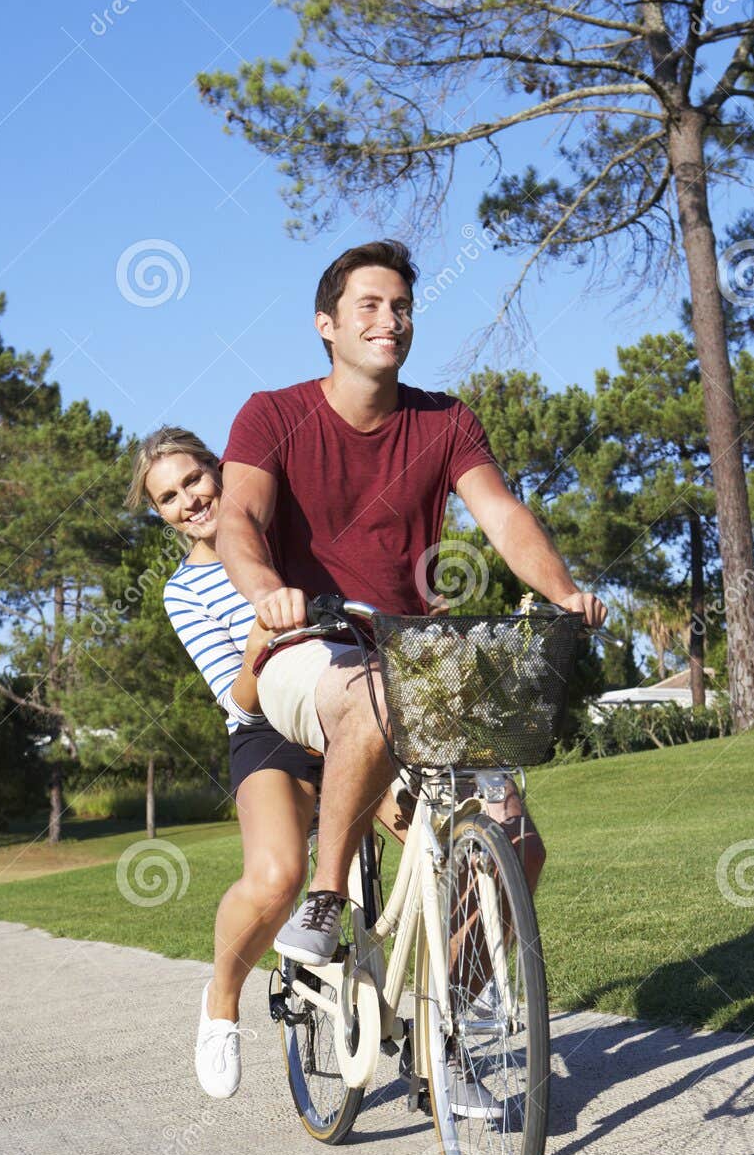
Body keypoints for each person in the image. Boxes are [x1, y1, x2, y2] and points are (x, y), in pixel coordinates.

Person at [215, 239, 607, 973]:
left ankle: (455, 1013)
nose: (388, 319)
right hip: (305, 648)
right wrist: (269, 592)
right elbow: (238, 517)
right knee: (368, 701)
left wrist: (563, 591)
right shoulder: (272, 415)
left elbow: (501, 515)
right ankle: (327, 897)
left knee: (515, 842)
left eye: (400, 307)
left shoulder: (444, 421)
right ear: (325, 324)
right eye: (368, 305)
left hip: (408, 655)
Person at [126, 426, 320, 1101]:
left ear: (220, 471)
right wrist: (261, 636)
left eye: (194, 481)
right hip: (265, 728)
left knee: (425, 845)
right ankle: (221, 999)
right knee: (276, 877)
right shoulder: (184, 593)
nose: (188, 501)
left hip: (344, 705)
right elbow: (237, 699)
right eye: (168, 497)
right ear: (159, 514)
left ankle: (453, 1028)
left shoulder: (282, 533)